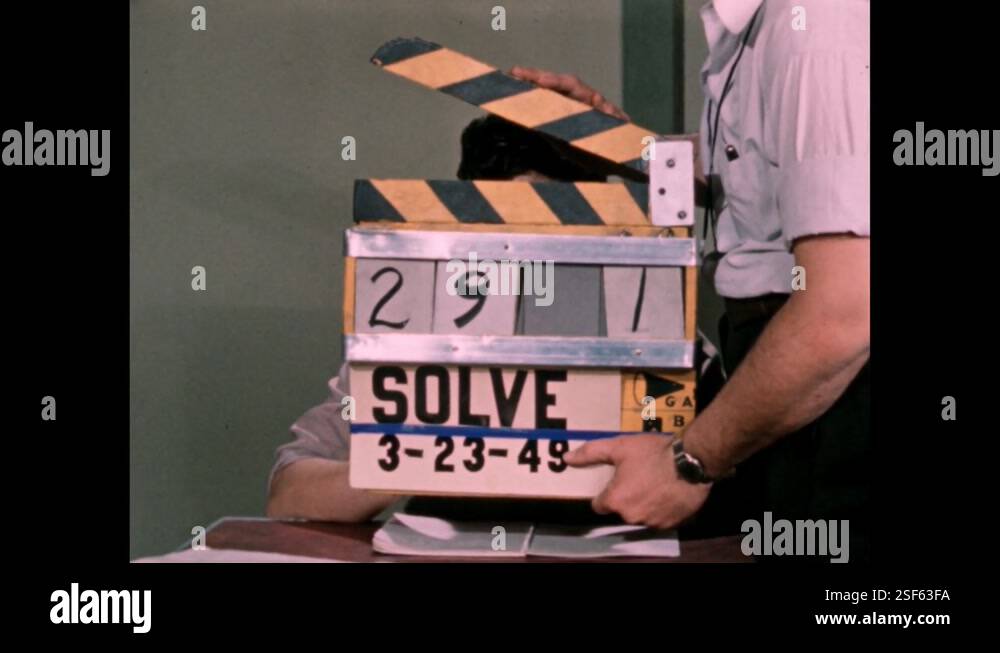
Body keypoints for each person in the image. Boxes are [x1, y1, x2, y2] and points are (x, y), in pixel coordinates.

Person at [511, 0, 870, 559]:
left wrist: (686, 463)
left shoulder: (815, 25)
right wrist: (614, 144)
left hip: (840, 399)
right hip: (793, 388)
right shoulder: (762, 25)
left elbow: (843, 312)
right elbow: (760, 163)